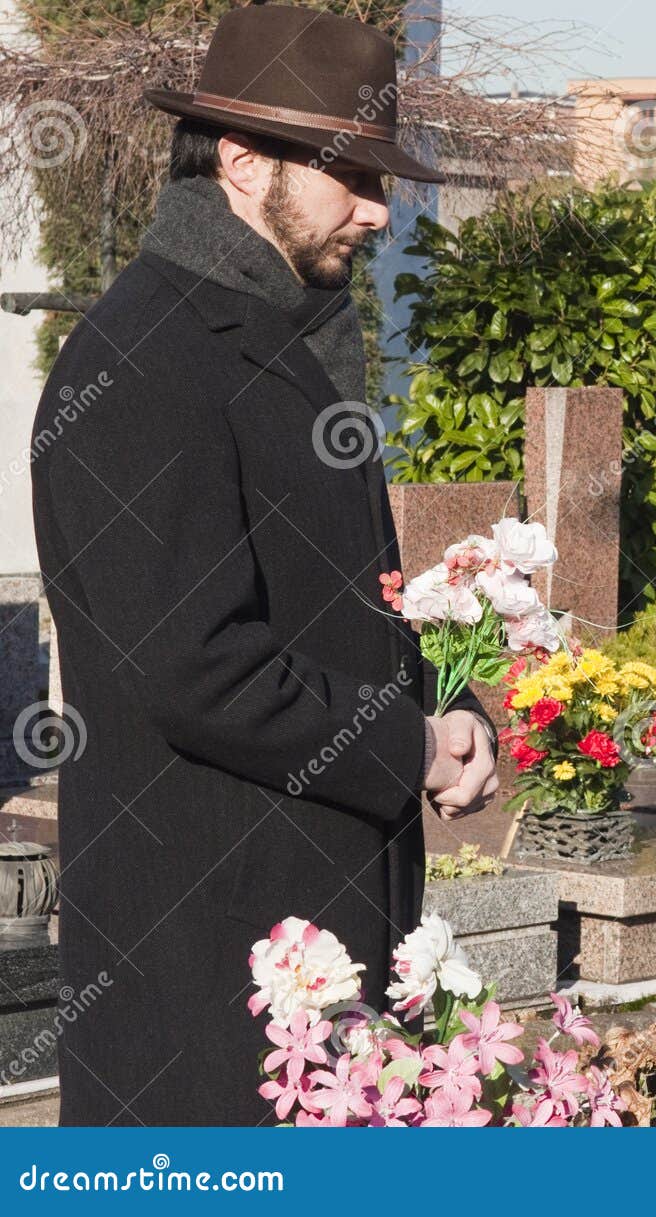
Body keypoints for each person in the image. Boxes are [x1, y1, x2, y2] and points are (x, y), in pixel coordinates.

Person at [30, 5, 498, 1125]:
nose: (378, 210)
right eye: (354, 175)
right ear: (243, 162)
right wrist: (411, 746)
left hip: (304, 943)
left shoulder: (276, 334)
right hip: (206, 982)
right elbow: (199, 668)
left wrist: (451, 704)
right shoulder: (147, 361)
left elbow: (335, 604)